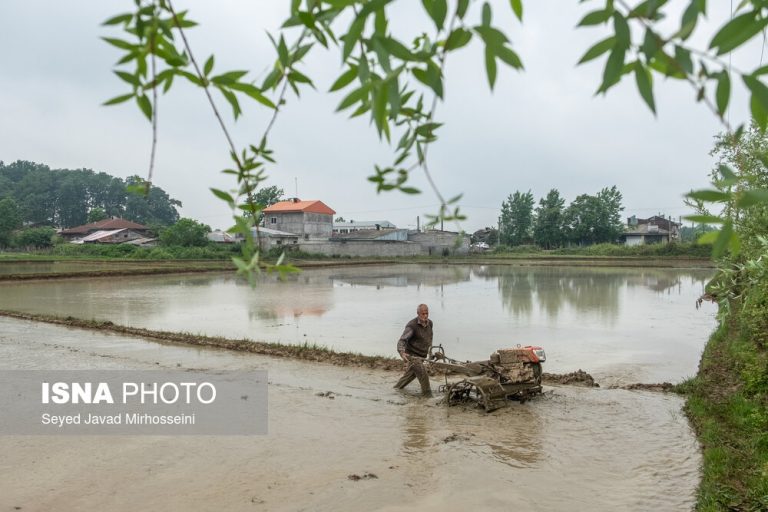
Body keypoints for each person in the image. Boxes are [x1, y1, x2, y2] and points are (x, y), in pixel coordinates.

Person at [393, 303, 433, 397]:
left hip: (422, 356)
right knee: (423, 376)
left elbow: (429, 338)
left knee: (410, 376)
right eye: (423, 313)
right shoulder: (412, 326)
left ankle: (396, 389)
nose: (425, 316)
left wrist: (430, 353)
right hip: (413, 356)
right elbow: (402, 340)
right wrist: (402, 353)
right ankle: (428, 397)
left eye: (427, 313)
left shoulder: (430, 323)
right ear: (418, 313)